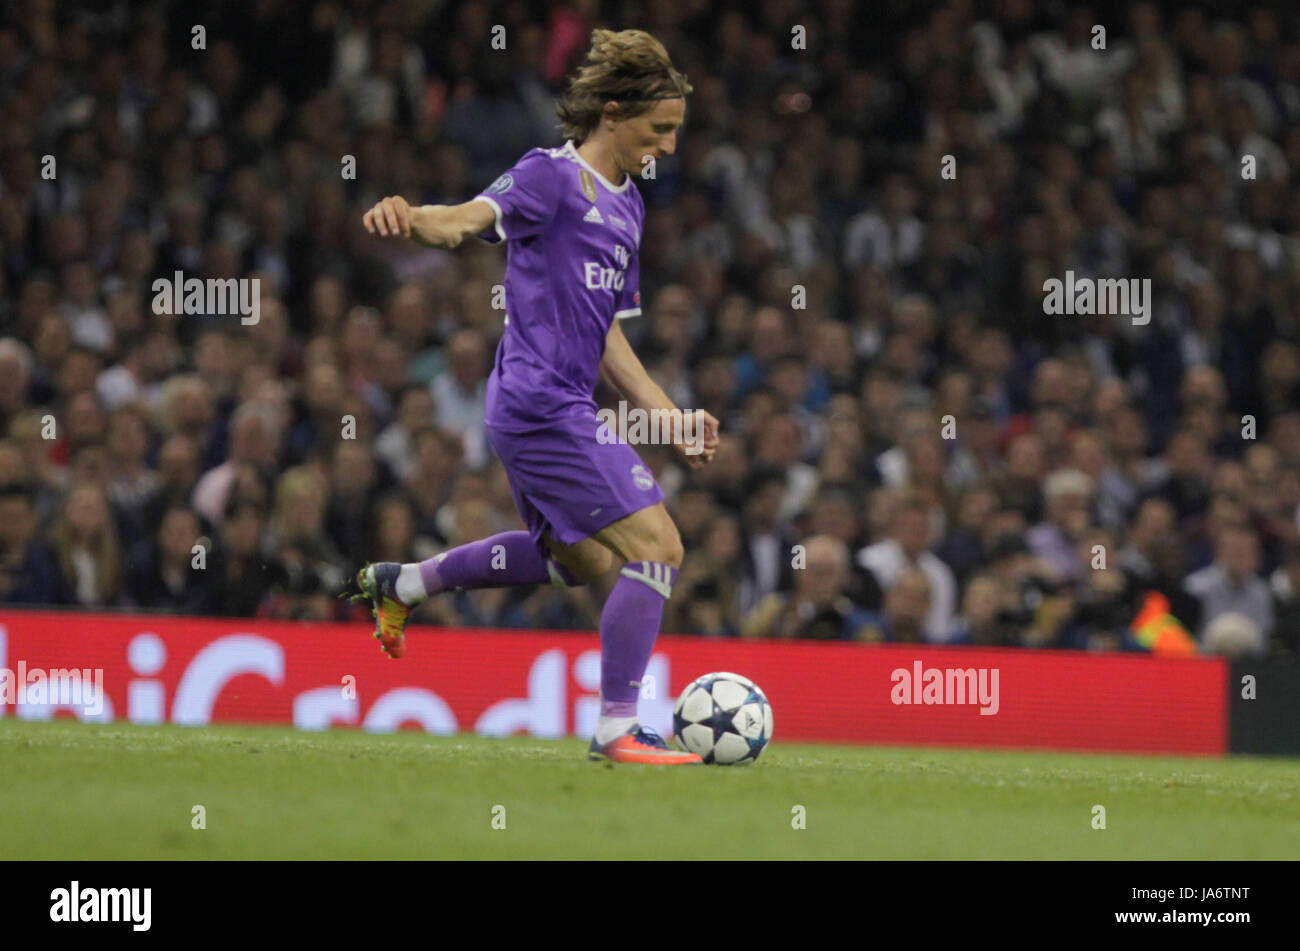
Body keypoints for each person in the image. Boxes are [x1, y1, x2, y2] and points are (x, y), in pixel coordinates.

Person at [350, 29, 717, 765]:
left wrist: (669, 415)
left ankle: (407, 583)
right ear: (613, 113)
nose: (669, 148)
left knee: (583, 564)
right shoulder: (550, 178)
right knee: (659, 546)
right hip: (539, 401)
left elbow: (609, 334)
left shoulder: (628, 208)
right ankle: (618, 728)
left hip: (551, 401)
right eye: (660, 129)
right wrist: (408, 215)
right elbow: (463, 221)